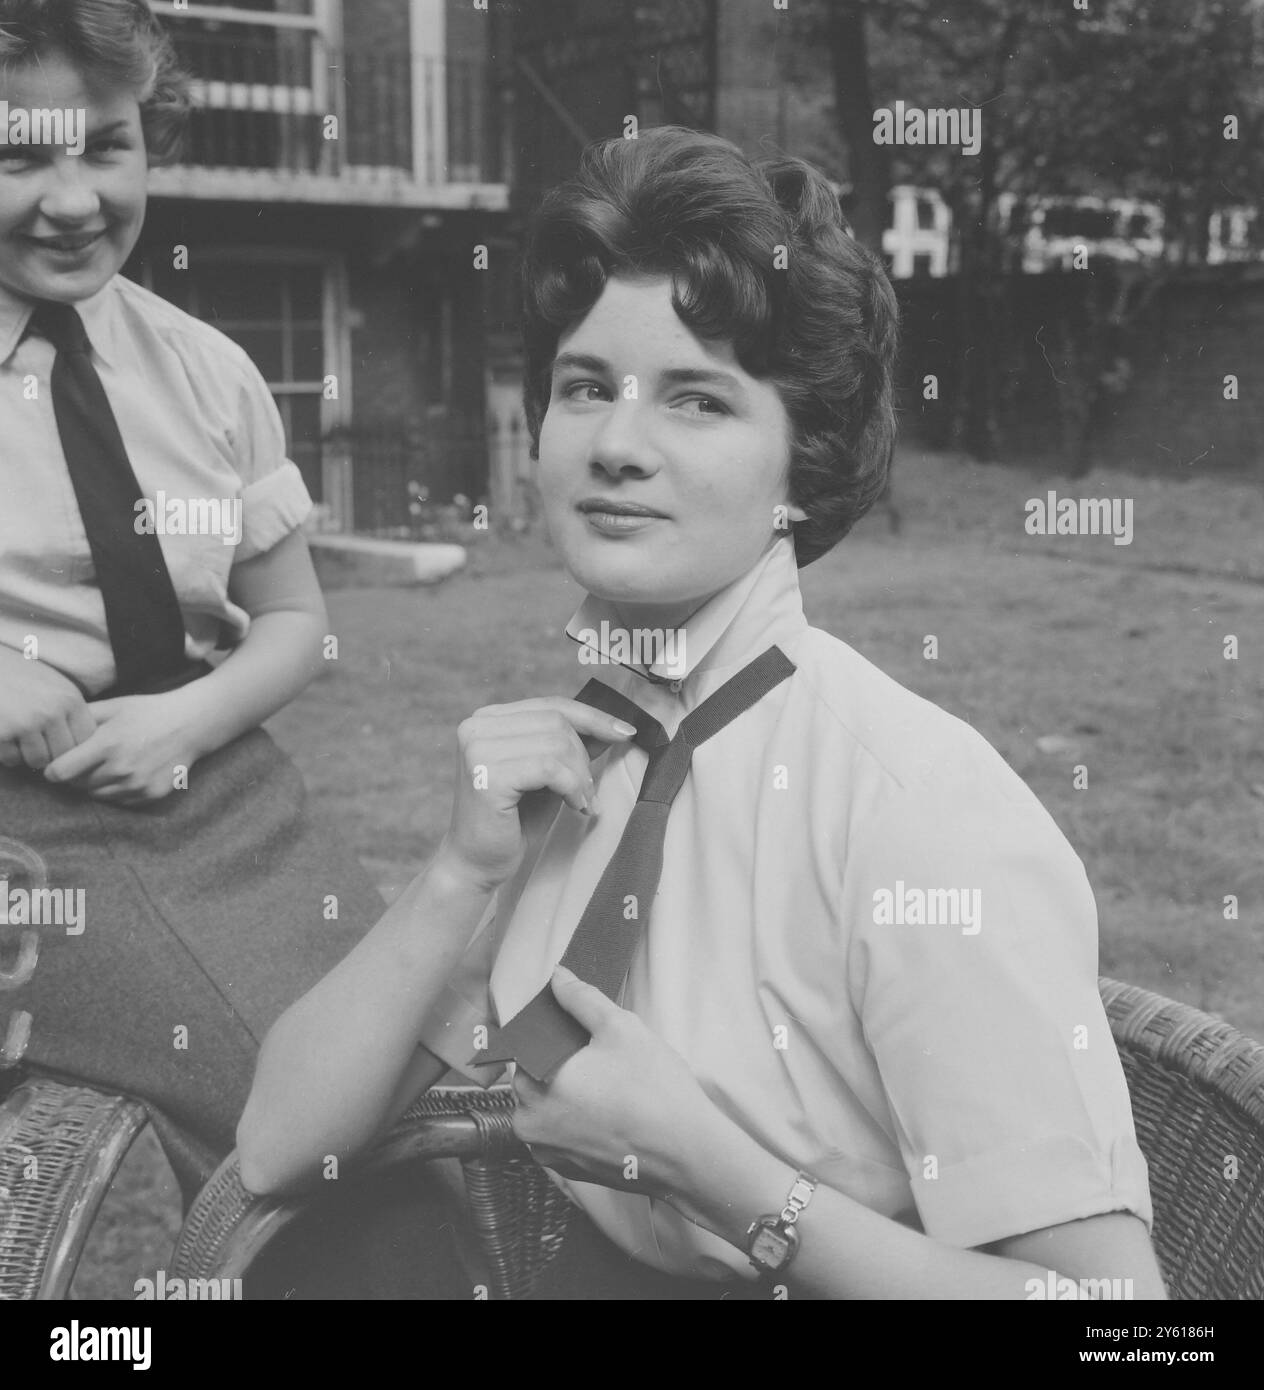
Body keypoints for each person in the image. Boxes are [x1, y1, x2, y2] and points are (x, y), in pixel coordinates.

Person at [238, 127, 1166, 1299]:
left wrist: (718, 1173)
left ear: (803, 464)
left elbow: (1120, 1322)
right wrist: (458, 878)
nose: (617, 445)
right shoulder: (569, 768)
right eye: (585, 387)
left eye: (697, 400)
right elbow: (278, 1146)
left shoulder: (915, 813)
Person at [0, 0, 380, 1205]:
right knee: (290, 1114)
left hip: (233, 790)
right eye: (17, 155)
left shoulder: (207, 370)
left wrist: (190, 719)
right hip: (35, 828)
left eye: (104, 145)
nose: (72, 200)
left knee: (411, 1054)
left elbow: (296, 621)